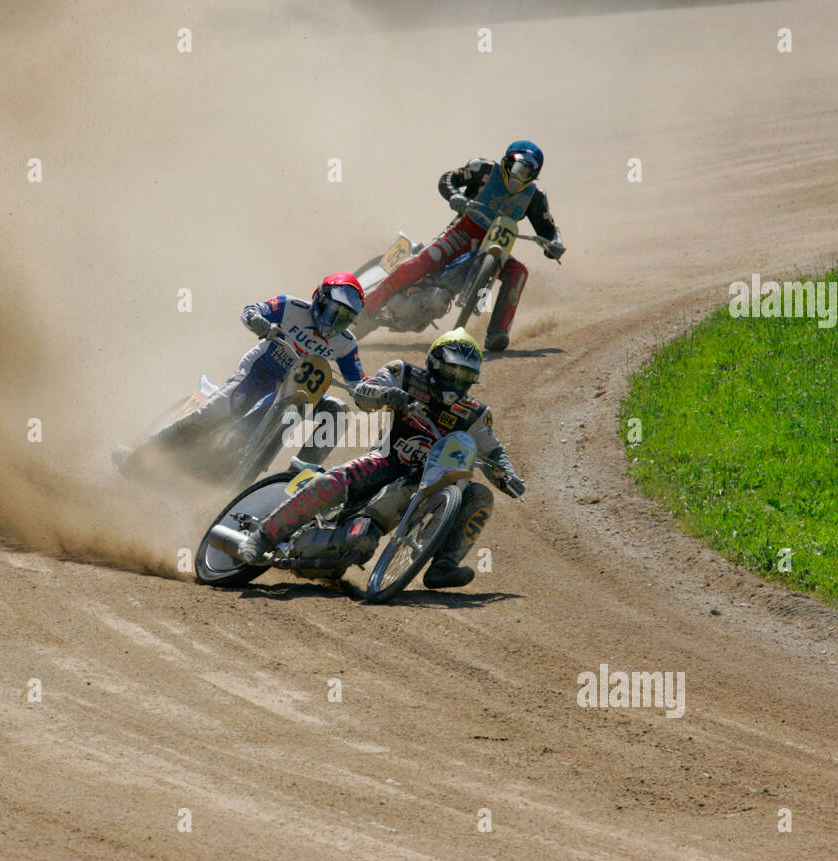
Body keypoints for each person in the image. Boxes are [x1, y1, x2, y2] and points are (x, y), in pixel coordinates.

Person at [238, 329, 525, 589]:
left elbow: (493, 449)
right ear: (435, 363)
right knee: (336, 480)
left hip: (432, 480)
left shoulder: (474, 412)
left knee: (479, 495)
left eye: (465, 376)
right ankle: (263, 536)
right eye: (452, 371)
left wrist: (508, 474)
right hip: (387, 461)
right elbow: (363, 392)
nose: (458, 381)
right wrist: (388, 394)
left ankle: (443, 566)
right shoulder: (404, 374)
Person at [119, 273, 367, 470]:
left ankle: (297, 476)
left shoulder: (346, 343)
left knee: (339, 411)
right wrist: (258, 321)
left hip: (299, 391)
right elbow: (251, 310)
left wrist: (369, 392)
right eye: (335, 313)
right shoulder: (291, 306)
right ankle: (139, 455)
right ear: (321, 300)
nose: (335, 325)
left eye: (344, 319)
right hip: (261, 372)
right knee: (214, 412)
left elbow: (358, 382)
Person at [361, 140, 564, 352]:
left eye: (526, 173)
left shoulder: (535, 197)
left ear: (535, 175)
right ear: (506, 162)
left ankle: (498, 332)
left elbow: (548, 228)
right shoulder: (483, 169)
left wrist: (554, 244)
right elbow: (448, 179)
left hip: (496, 245)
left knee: (518, 272)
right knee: (420, 264)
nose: (518, 177)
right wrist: (455, 195)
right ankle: (369, 305)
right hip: (461, 233)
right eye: (517, 169)